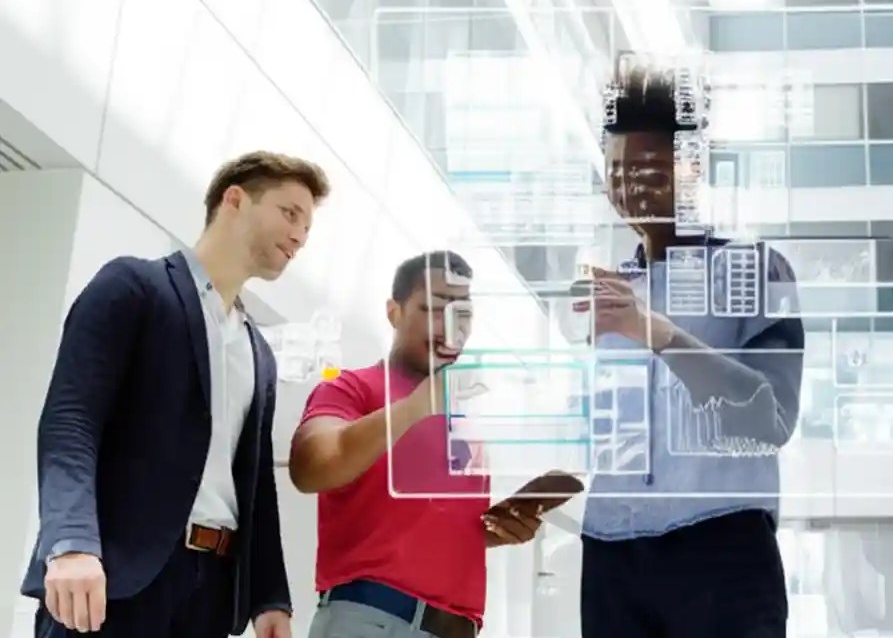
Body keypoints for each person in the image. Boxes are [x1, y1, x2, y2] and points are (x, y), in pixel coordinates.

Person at [22, 151, 331, 637]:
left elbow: (255, 485)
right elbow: (70, 421)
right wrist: (71, 541)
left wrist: (269, 596)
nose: (299, 236)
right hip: (111, 580)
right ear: (234, 199)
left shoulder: (259, 353)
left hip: (209, 596)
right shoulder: (132, 287)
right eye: (290, 213)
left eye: (308, 228)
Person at [578, 56, 806, 637]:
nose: (629, 187)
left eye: (649, 167)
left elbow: (770, 417)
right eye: (617, 170)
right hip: (609, 554)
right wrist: (552, 486)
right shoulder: (609, 297)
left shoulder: (755, 268)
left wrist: (655, 331)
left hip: (721, 546)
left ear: (692, 165)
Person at [289, 251, 541, 638]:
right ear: (394, 312)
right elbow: (311, 467)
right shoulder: (350, 387)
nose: (449, 328)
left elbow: (421, 529)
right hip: (371, 621)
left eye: (463, 315)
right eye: (434, 309)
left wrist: (494, 530)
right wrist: (417, 406)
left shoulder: (466, 429)